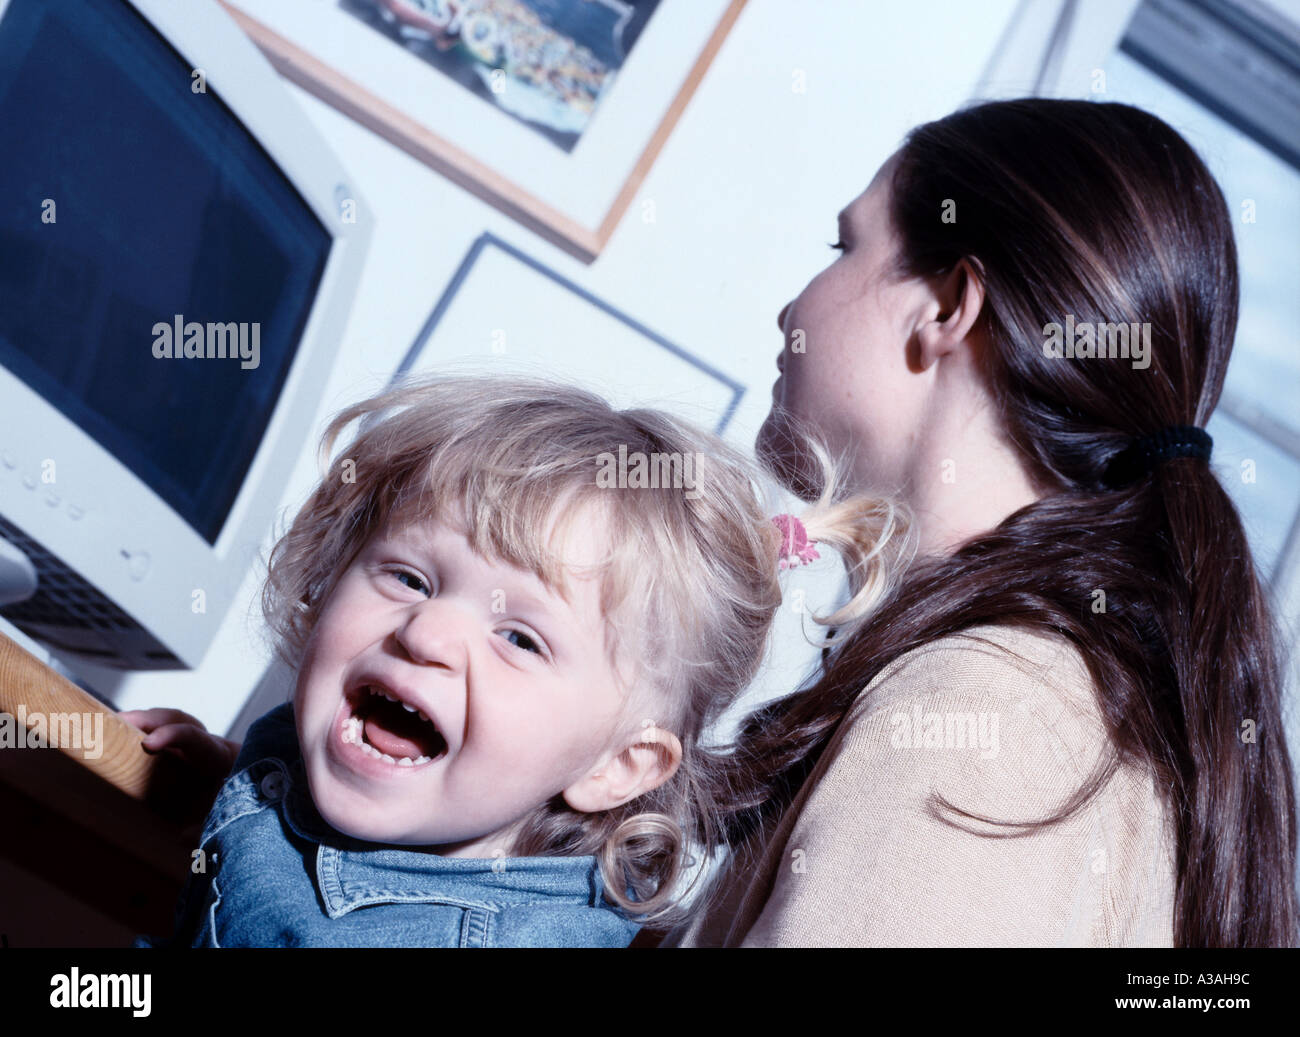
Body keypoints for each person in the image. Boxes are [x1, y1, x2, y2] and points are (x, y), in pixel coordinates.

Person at [668, 98, 1299, 947]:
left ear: (947, 307)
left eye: (844, 247)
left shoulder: (982, 720)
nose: (793, 309)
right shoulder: (1038, 704)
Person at [124, 374, 907, 947]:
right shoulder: (353, 764)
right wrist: (238, 779)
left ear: (618, 765)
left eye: (519, 638)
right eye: (408, 577)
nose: (426, 633)